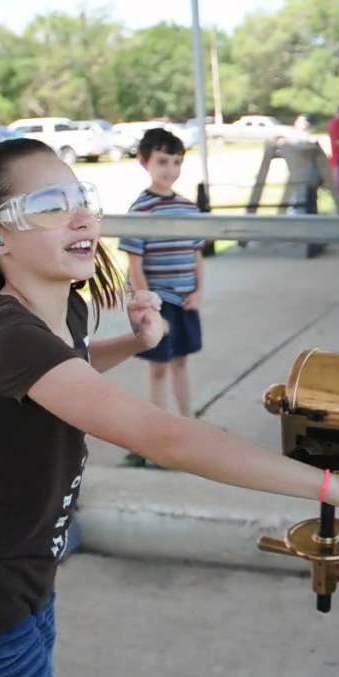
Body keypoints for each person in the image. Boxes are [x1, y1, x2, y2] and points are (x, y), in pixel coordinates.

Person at [0, 137, 339, 677]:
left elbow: (63, 373)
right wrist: (335, 487)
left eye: (81, 197)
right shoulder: (6, 333)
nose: (80, 216)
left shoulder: (60, 305)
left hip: (23, 587)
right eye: (49, 205)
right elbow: (165, 437)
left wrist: (134, 341)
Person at [116, 128, 204, 468]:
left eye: (177, 162)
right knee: (158, 369)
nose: (170, 169)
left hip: (185, 300)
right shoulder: (140, 211)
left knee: (181, 363)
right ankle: (156, 437)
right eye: (163, 161)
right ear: (144, 162)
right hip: (157, 302)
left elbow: (197, 255)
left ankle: (188, 425)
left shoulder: (188, 208)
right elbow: (135, 265)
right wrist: (146, 302)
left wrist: (199, 291)